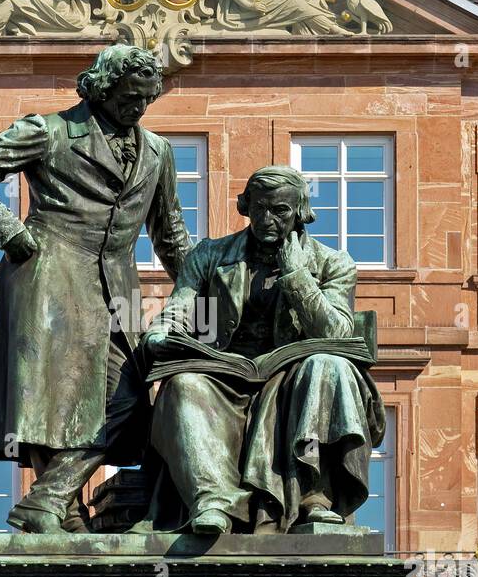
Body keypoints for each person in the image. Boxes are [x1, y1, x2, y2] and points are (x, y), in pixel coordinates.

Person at [0, 44, 192, 534]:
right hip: (48, 275)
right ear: (101, 88)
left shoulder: (158, 151)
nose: (137, 109)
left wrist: (214, 287)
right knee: (49, 398)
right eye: (128, 98)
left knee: (123, 395)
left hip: (118, 287)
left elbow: (170, 234)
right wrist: (11, 233)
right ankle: (67, 511)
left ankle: (46, 500)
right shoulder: (49, 130)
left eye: (146, 100)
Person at [144, 165, 383, 534]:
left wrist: (297, 277)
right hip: (224, 379)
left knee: (327, 364)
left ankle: (314, 497)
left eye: (280, 211)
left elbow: (336, 329)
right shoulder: (210, 255)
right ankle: (212, 502)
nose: (267, 219)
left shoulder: (333, 263)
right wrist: (159, 335)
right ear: (247, 207)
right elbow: (178, 309)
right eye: (258, 208)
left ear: (300, 211)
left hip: (294, 383)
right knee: (182, 384)